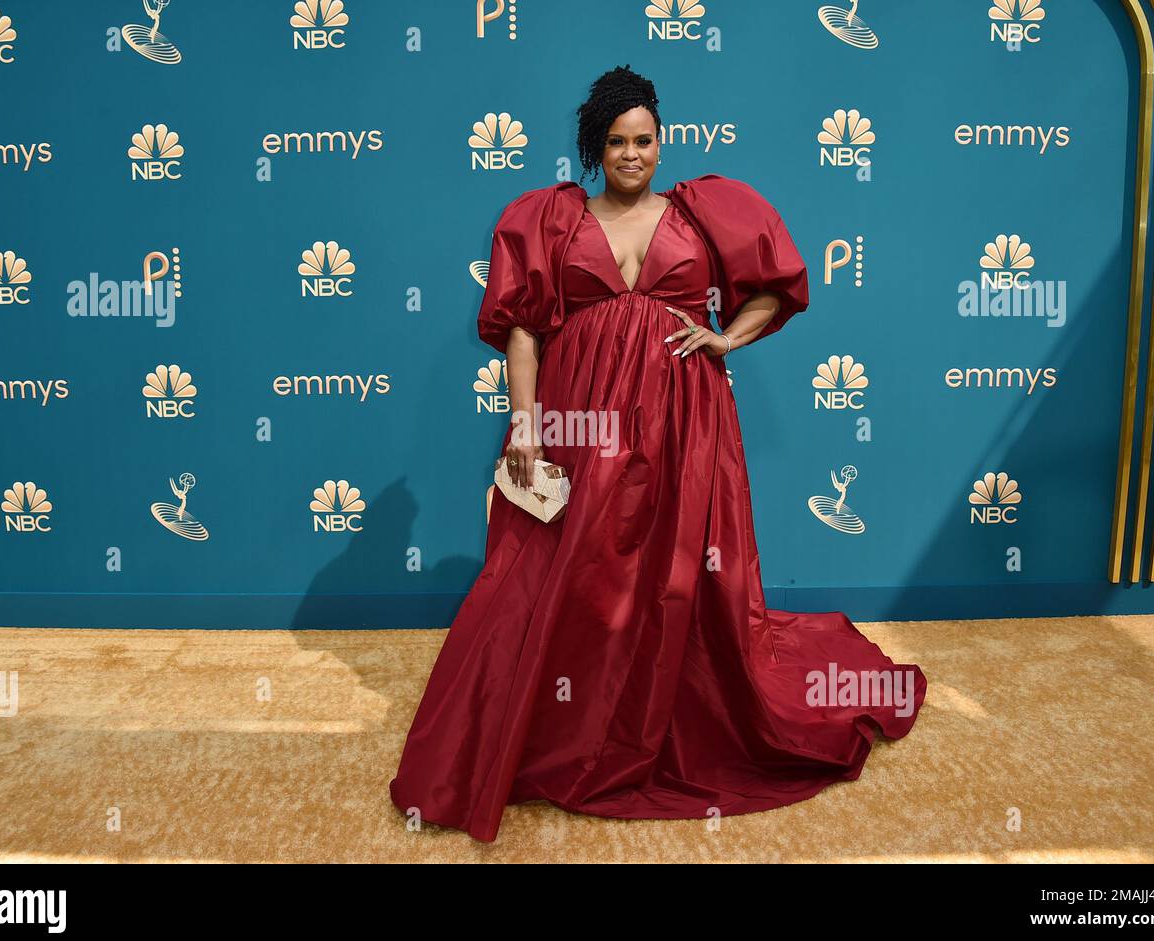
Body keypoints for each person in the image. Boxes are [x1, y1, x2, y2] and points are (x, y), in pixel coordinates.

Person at [389, 65, 926, 842]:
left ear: (662, 140)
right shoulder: (551, 219)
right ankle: (552, 734)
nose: (633, 155)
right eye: (617, 142)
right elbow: (523, 331)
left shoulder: (707, 210)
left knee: (679, 574)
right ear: (594, 146)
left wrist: (726, 336)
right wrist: (526, 421)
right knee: (562, 577)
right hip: (582, 423)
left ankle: (667, 716)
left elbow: (779, 284)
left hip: (685, 421)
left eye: (644, 140)